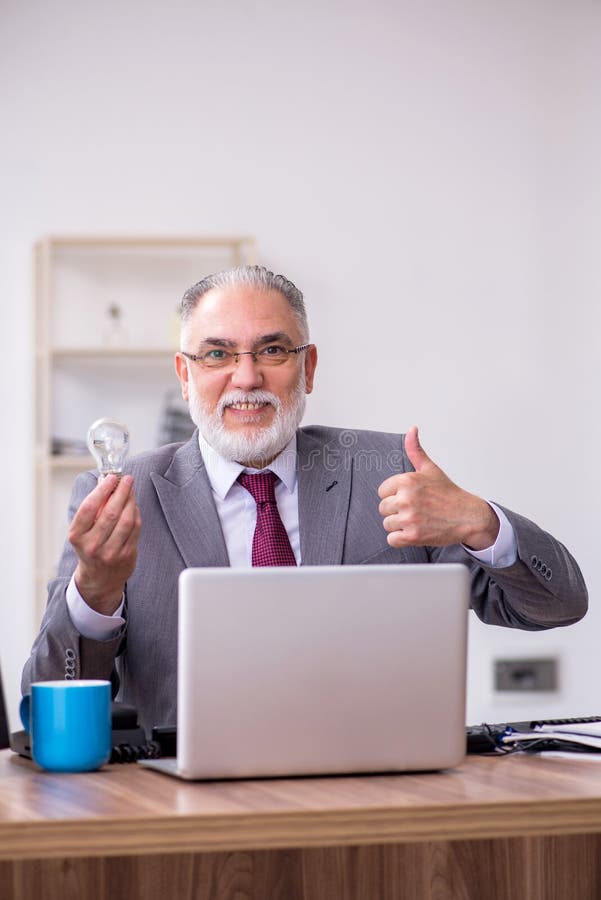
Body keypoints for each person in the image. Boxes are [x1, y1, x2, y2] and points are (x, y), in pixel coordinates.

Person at [22, 266, 588, 734]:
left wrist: (480, 522)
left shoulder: (388, 471)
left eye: (271, 349)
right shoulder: (123, 498)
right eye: (218, 355)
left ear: (308, 368)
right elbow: (46, 710)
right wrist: (94, 593)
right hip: (188, 818)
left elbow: (559, 604)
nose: (247, 377)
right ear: (185, 375)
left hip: (378, 800)